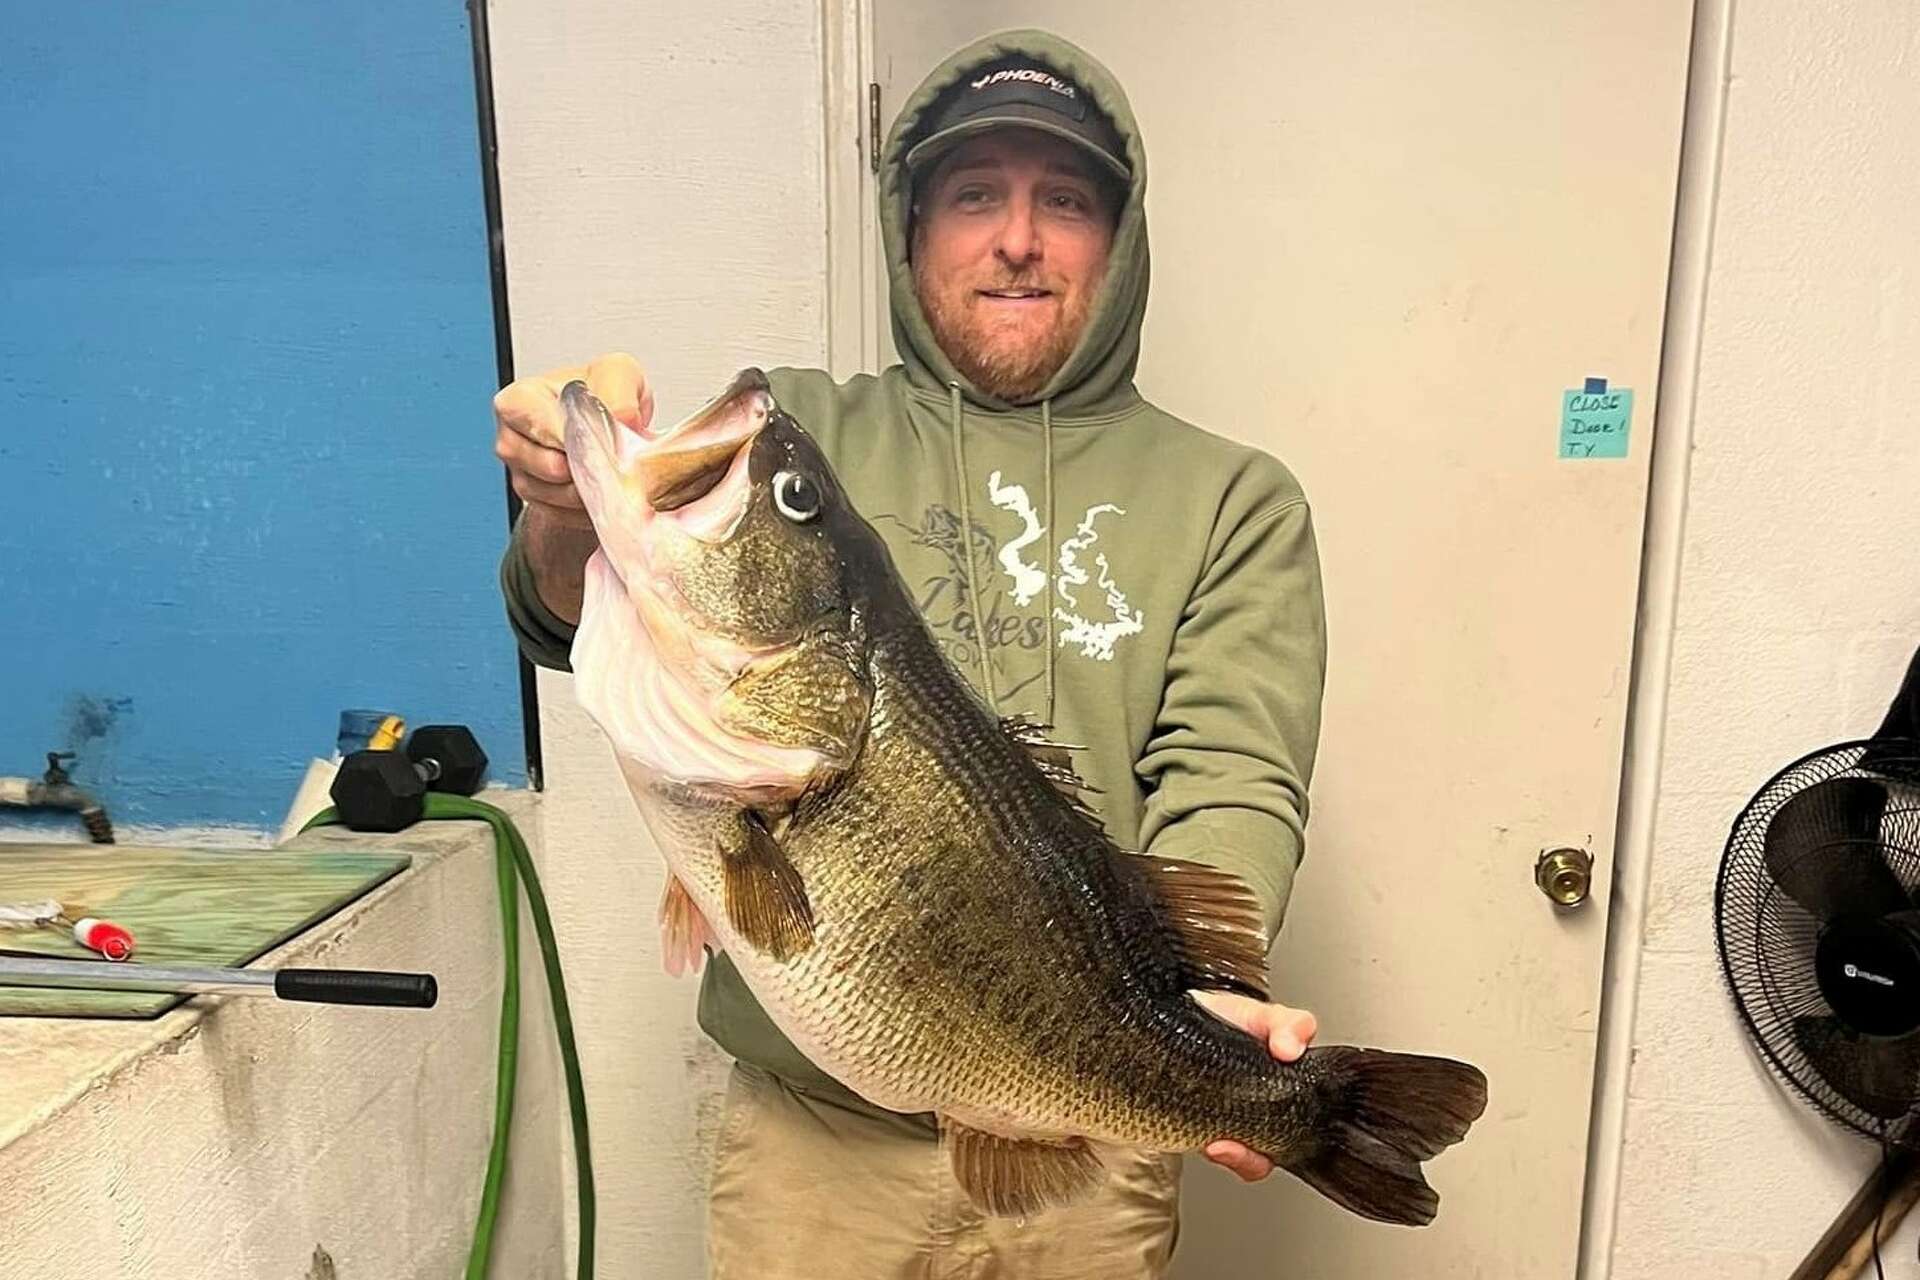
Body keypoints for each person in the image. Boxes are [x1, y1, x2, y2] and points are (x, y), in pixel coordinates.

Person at [493, 28, 1327, 1280]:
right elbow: (563, 616)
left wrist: (1207, 1004)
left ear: (1120, 241)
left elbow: (1232, 770)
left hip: (1085, 1141)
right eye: (974, 194)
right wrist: (565, 512)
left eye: (1065, 200)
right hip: (809, 1144)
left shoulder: (1234, 499)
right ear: (913, 230)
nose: (1017, 238)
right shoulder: (803, 434)